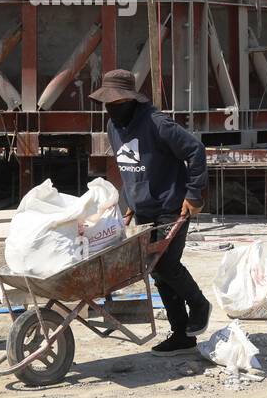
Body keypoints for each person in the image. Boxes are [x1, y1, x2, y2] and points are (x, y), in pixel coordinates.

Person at [90, 68, 211, 356]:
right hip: (144, 210)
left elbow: (196, 151)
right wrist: (130, 201)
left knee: (168, 264)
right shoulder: (114, 127)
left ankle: (199, 304)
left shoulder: (157, 123)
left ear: (132, 100)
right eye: (108, 104)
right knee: (156, 271)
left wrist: (194, 195)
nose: (112, 109)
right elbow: (132, 168)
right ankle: (182, 335)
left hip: (171, 205)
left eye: (117, 103)